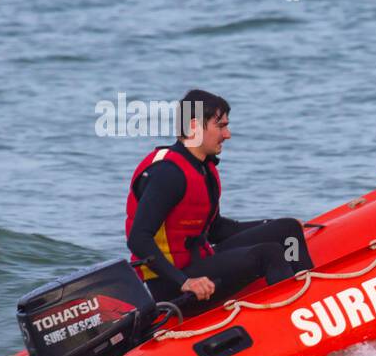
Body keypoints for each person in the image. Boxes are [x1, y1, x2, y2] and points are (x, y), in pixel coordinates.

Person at [124, 89, 313, 312]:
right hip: (174, 284)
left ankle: (311, 294)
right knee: (269, 253)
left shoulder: (203, 166)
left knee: (287, 229)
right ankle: (294, 315)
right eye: (220, 126)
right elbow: (138, 239)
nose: (227, 134)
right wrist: (185, 282)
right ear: (194, 126)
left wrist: (269, 224)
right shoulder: (168, 173)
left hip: (201, 262)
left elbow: (216, 230)